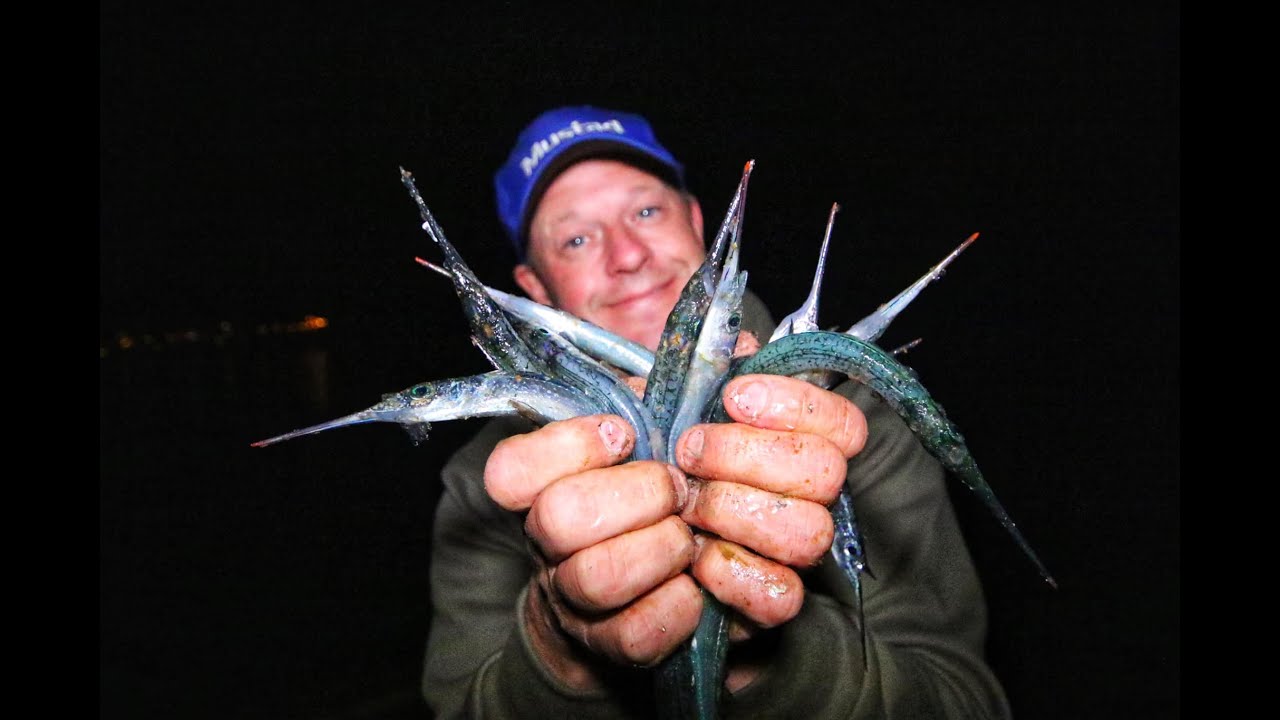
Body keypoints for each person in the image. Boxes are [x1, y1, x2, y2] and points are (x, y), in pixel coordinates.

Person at [421, 105, 1011, 718]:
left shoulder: (856, 407)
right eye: (576, 239)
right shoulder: (478, 478)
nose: (627, 255)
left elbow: (964, 698)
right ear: (536, 289)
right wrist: (558, 641)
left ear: (697, 222)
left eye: (646, 211)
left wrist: (770, 657)